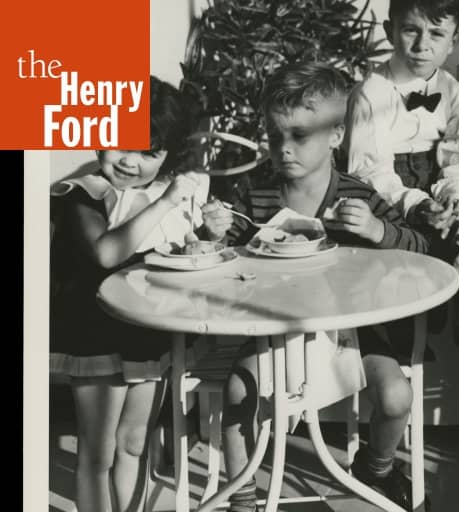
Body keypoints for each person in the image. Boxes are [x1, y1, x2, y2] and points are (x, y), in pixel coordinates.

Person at [201, 61, 435, 512]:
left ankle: (376, 469)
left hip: (354, 330)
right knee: (238, 391)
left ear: (336, 136)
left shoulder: (358, 197)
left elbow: (419, 247)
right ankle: (243, 498)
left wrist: (375, 231)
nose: (284, 149)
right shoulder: (258, 195)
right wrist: (215, 233)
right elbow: (226, 253)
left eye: (300, 136)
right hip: (276, 329)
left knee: (395, 395)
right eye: (275, 136)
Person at [50, 76, 205, 512]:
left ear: (167, 156)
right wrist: (163, 205)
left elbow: (176, 255)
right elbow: (105, 253)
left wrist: (206, 231)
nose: (131, 162)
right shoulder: (82, 193)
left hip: (146, 334)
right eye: (121, 143)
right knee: (96, 453)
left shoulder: (160, 195)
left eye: (149, 152)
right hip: (93, 334)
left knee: (134, 443)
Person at [344, 0, 459, 237]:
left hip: (441, 196)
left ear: (453, 42)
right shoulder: (371, 93)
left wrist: (456, 201)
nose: (421, 46)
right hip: (387, 199)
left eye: (436, 34)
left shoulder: (454, 91)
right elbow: (371, 173)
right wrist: (418, 205)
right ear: (390, 32)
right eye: (410, 30)